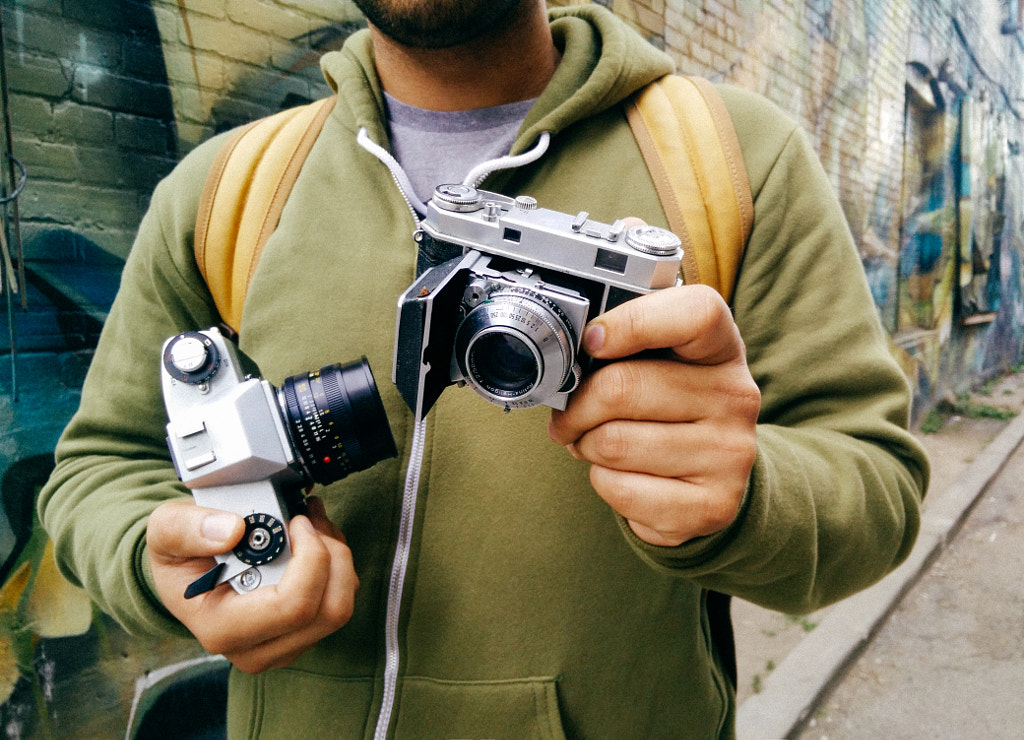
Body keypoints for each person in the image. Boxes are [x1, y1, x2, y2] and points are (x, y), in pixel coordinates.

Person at [39, 1, 929, 737]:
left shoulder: (730, 163)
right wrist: (157, 561)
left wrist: (746, 496)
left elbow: (876, 487)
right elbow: (101, 466)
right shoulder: (227, 189)